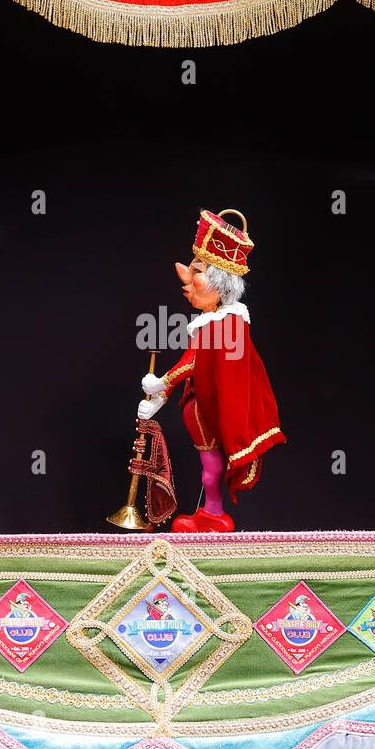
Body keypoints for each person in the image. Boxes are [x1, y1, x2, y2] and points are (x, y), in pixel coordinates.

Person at [136, 209, 284, 533]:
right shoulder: (211, 323)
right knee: (207, 465)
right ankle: (209, 510)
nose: (187, 279)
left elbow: (196, 363)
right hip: (200, 410)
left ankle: (214, 512)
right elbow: (192, 362)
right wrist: (161, 396)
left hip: (212, 413)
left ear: (219, 282)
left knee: (210, 468)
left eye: (197, 271)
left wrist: (161, 382)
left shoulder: (229, 324)